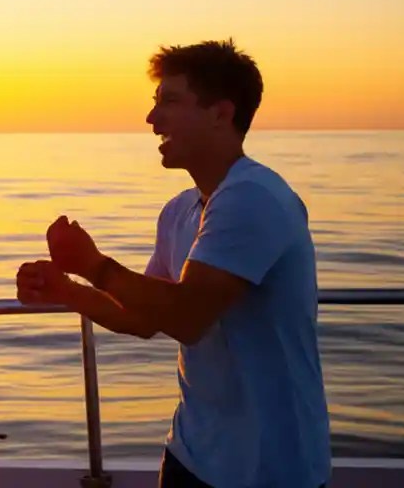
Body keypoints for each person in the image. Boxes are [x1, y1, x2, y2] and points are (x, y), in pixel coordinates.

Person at [16, 40, 330, 488]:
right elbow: (144, 318)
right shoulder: (180, 210)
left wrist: (94, 264)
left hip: (267, 469)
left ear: (221, 114)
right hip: (192, 453)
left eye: (170, 101)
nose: (152, 118)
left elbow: (187, 316)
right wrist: (66, 288)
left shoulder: (254, 197)